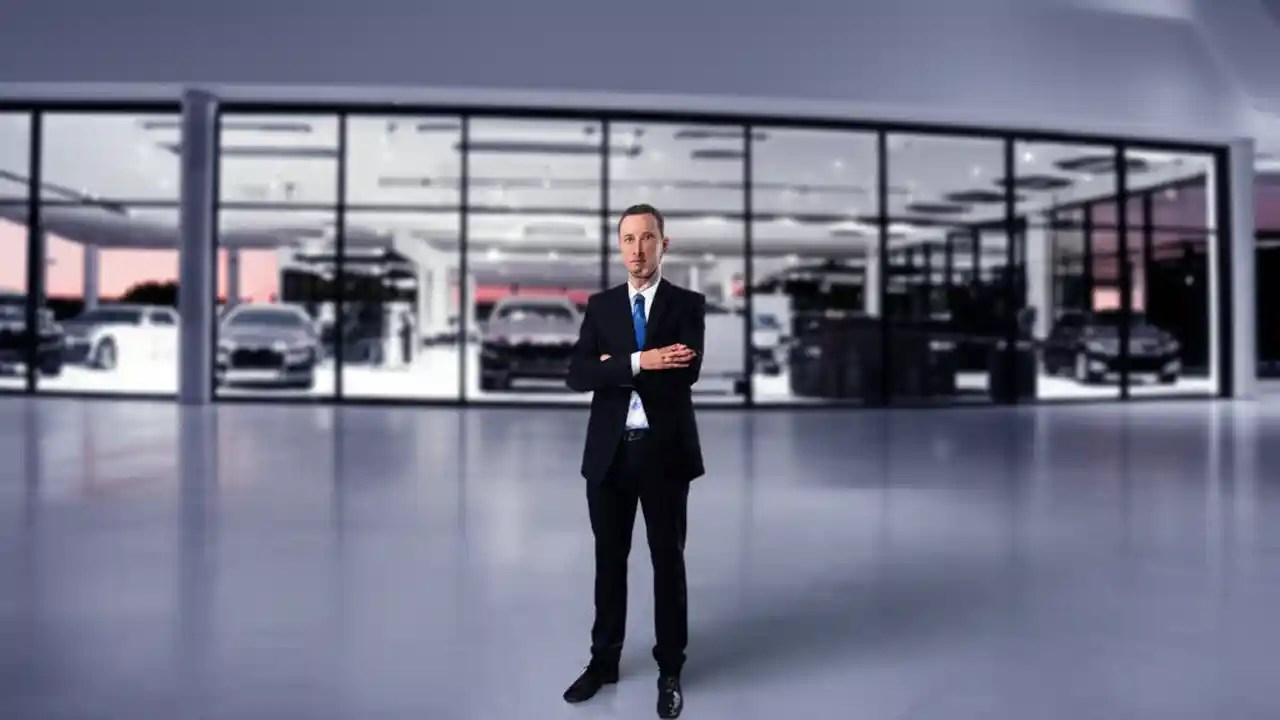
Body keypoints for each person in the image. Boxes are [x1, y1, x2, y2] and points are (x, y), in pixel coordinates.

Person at [563, 203, 705, 719]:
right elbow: (577, 375)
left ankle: (670, 669)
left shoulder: (687, 305)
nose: (637, 249)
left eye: (647, 238)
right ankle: (604, 662)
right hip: (609, 454)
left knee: (668, 562)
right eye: (628, 239)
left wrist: (613, 365)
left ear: (664, 244)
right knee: (609, 560)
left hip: (664, 454)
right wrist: (641, 360)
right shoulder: (600, 307)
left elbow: (684, 374)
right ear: (618, 246)